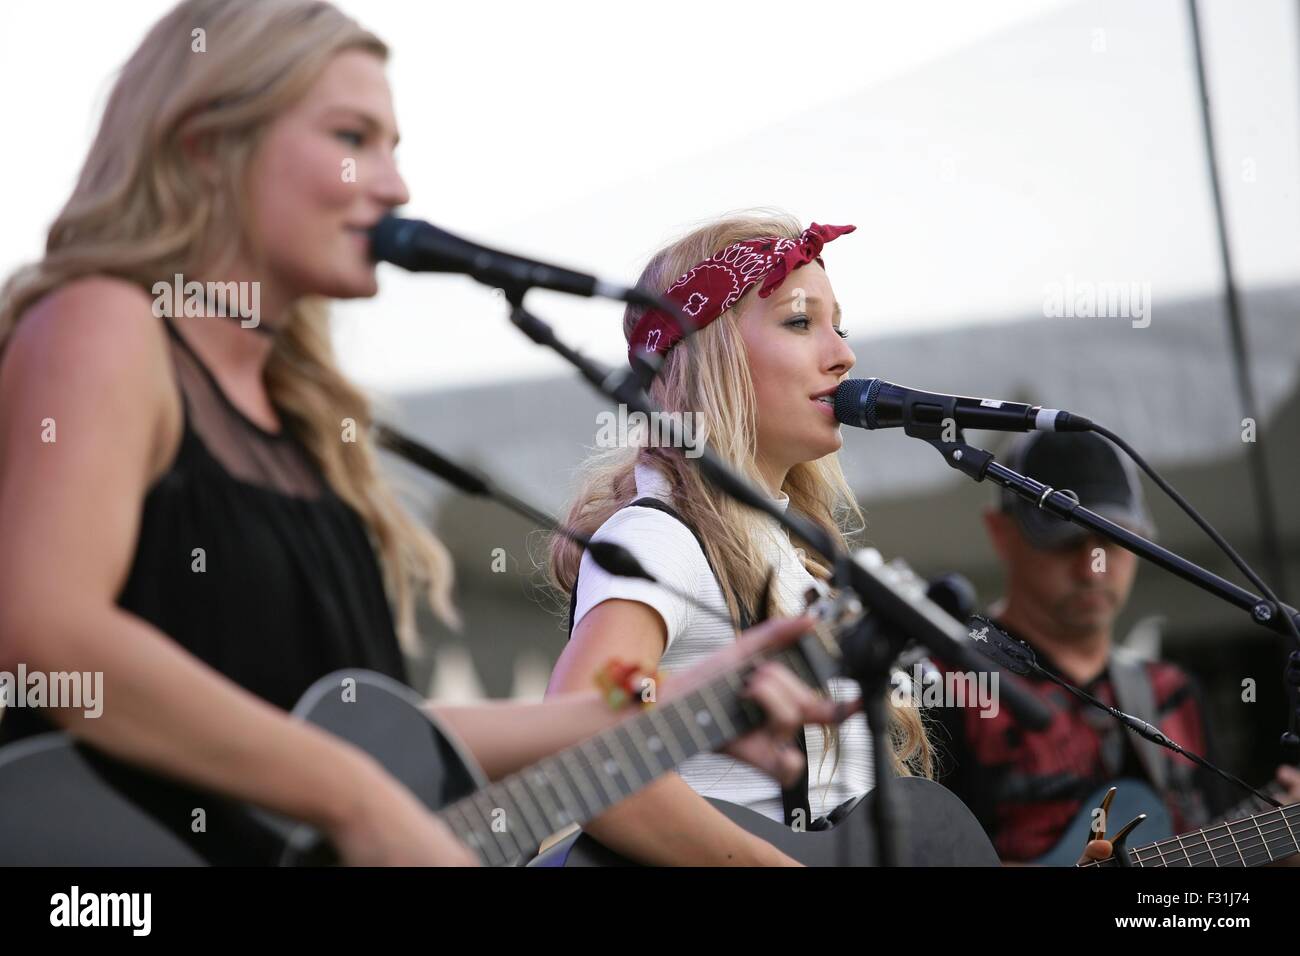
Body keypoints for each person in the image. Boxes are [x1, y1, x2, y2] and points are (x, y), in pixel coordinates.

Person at [0, 0, 846, 866]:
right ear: (209, 145)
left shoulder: (302, 426)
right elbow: (47, 634)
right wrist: (358, 800)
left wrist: (657, 714)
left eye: (394, 148)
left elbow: (344, 730)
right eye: (352, 138)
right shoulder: (103, 326)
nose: (395, 185)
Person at [545, 212, 937, 865]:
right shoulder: (660, 539)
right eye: (799, 321)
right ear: (710, 353)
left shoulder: (797, 559)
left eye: (839, 325)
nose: (843, 353)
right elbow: (580, 724)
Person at [932, 430, 1300, 863]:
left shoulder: (1172, 691)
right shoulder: (945, 683)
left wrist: (1279, 846)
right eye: (1066, 539)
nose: (1094, 568)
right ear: (1001, 533)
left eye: (1114, 538)